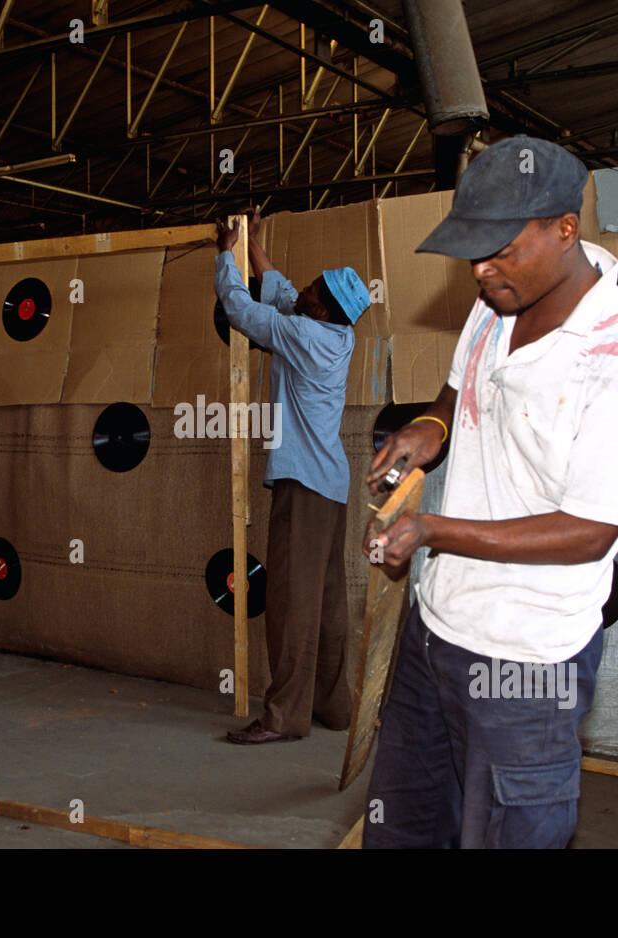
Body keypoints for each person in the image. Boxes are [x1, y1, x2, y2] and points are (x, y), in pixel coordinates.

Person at [360, 136, 618, 847]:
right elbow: (456, 388)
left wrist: (434, 531)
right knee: (403, 827)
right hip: (435, 630)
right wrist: (430, 427)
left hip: (524, 666)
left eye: (500, 249)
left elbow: (589, 533)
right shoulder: (495, 299)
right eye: (473, 251)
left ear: (566, 228)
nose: (480, 269)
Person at [214, 209, 372, 744]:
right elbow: (280, 292)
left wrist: (225, 255)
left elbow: (241, 309)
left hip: (303, 486)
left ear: (323, 308)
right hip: (331, 487)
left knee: (289, 602)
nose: (302, 289)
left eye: (312, 289)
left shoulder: (305, 336)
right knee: (328, 601)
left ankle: (283, 717)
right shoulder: (333, 333)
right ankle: (334, 706)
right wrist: (254, 244)